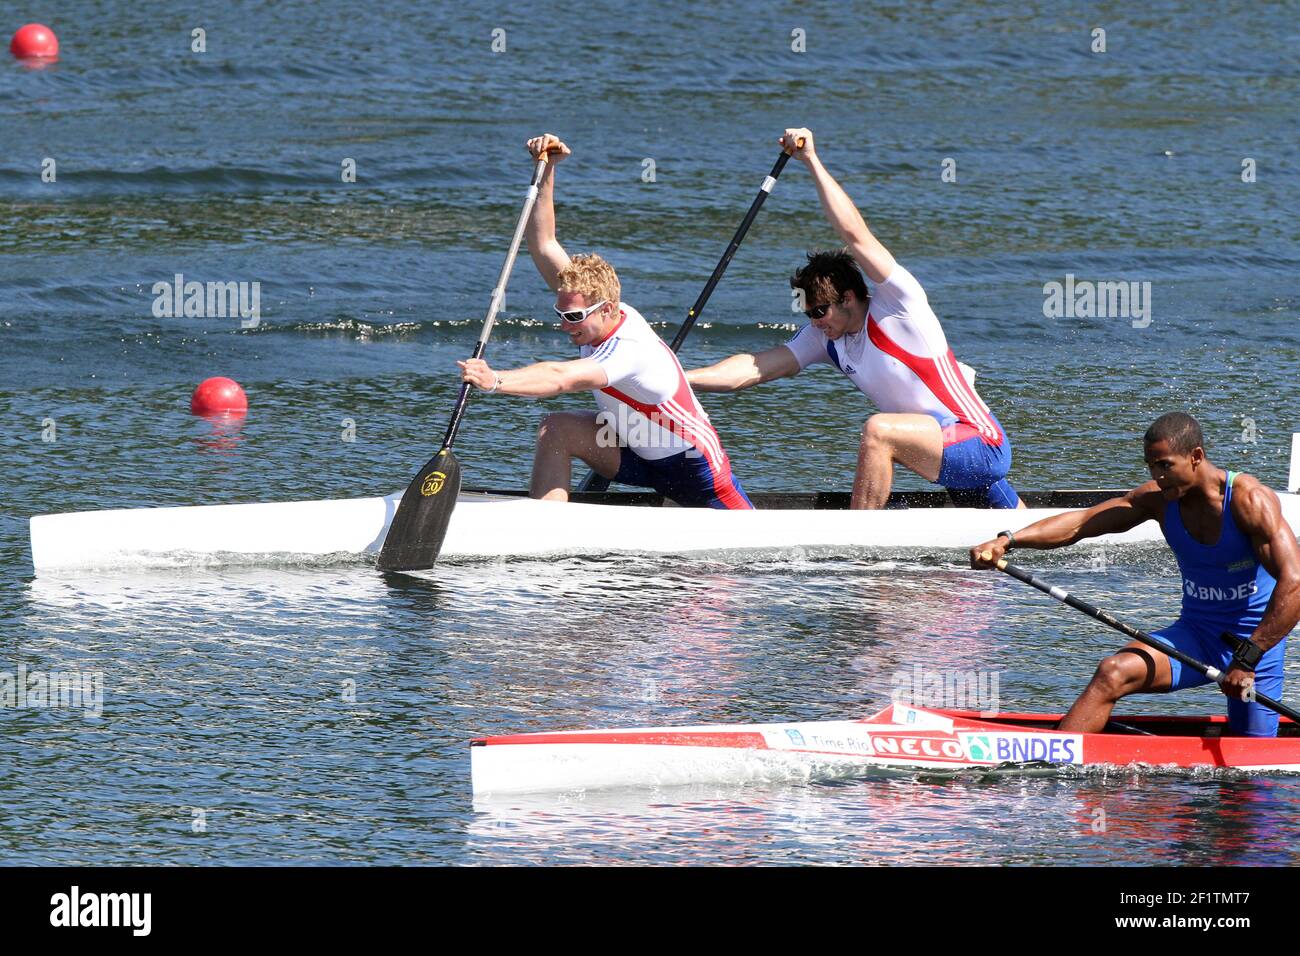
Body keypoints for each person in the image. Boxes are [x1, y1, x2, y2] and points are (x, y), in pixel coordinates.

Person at [687, 127, 1021, 510]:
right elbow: (753, 368)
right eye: (808, 313)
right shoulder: (824, 338)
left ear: (848, 298)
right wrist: (681, 378)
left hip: (981, 443)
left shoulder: (899, 304)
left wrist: (810, 160)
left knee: (878, 431)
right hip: (941, 449)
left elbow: (854, 233)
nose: (815, 321)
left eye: (819, 311)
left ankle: (859, 547)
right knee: (1023, 533)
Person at [457, 134, 752, 509]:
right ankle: (545, 534)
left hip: (696, 470)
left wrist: (496, 380)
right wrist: (547, 169)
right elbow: (544, 243)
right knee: (557, 429)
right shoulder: (588, 305)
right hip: (631, 451)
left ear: (609, 309)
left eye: (575, 317)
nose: (566, 325)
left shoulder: (628, 350)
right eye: (561, 314)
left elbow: (560, 378)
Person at [970, 412, 1300, 737]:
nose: (1158, 476)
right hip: (1195, 637)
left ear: (1196, 456)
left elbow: (1295, 583)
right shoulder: (1158, 501)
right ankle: (1052, 762)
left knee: (1252, 767)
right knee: (1113, 672)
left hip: (1256, 646)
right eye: (1152, 466)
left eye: (1166, 465)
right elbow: (1082, 523)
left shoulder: (1248, 501)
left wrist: (1248, 657)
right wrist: (1008, 541)